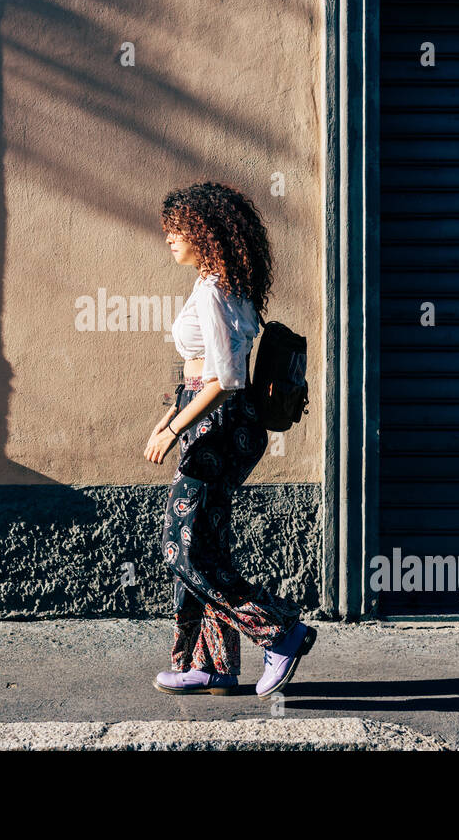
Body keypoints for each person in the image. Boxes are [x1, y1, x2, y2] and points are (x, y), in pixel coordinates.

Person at [143, 181, 316, 698]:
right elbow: (204, 374)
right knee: (208, 541)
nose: (170, 238)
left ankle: (279, 632)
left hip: (216, 425)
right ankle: (211, 665)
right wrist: (169, 416)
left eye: (178, 230)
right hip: (218, 420)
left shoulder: (216, 289)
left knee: (183, 549)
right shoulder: (221, 285)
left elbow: (225, 376)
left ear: (204, 232)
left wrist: (176, 429)